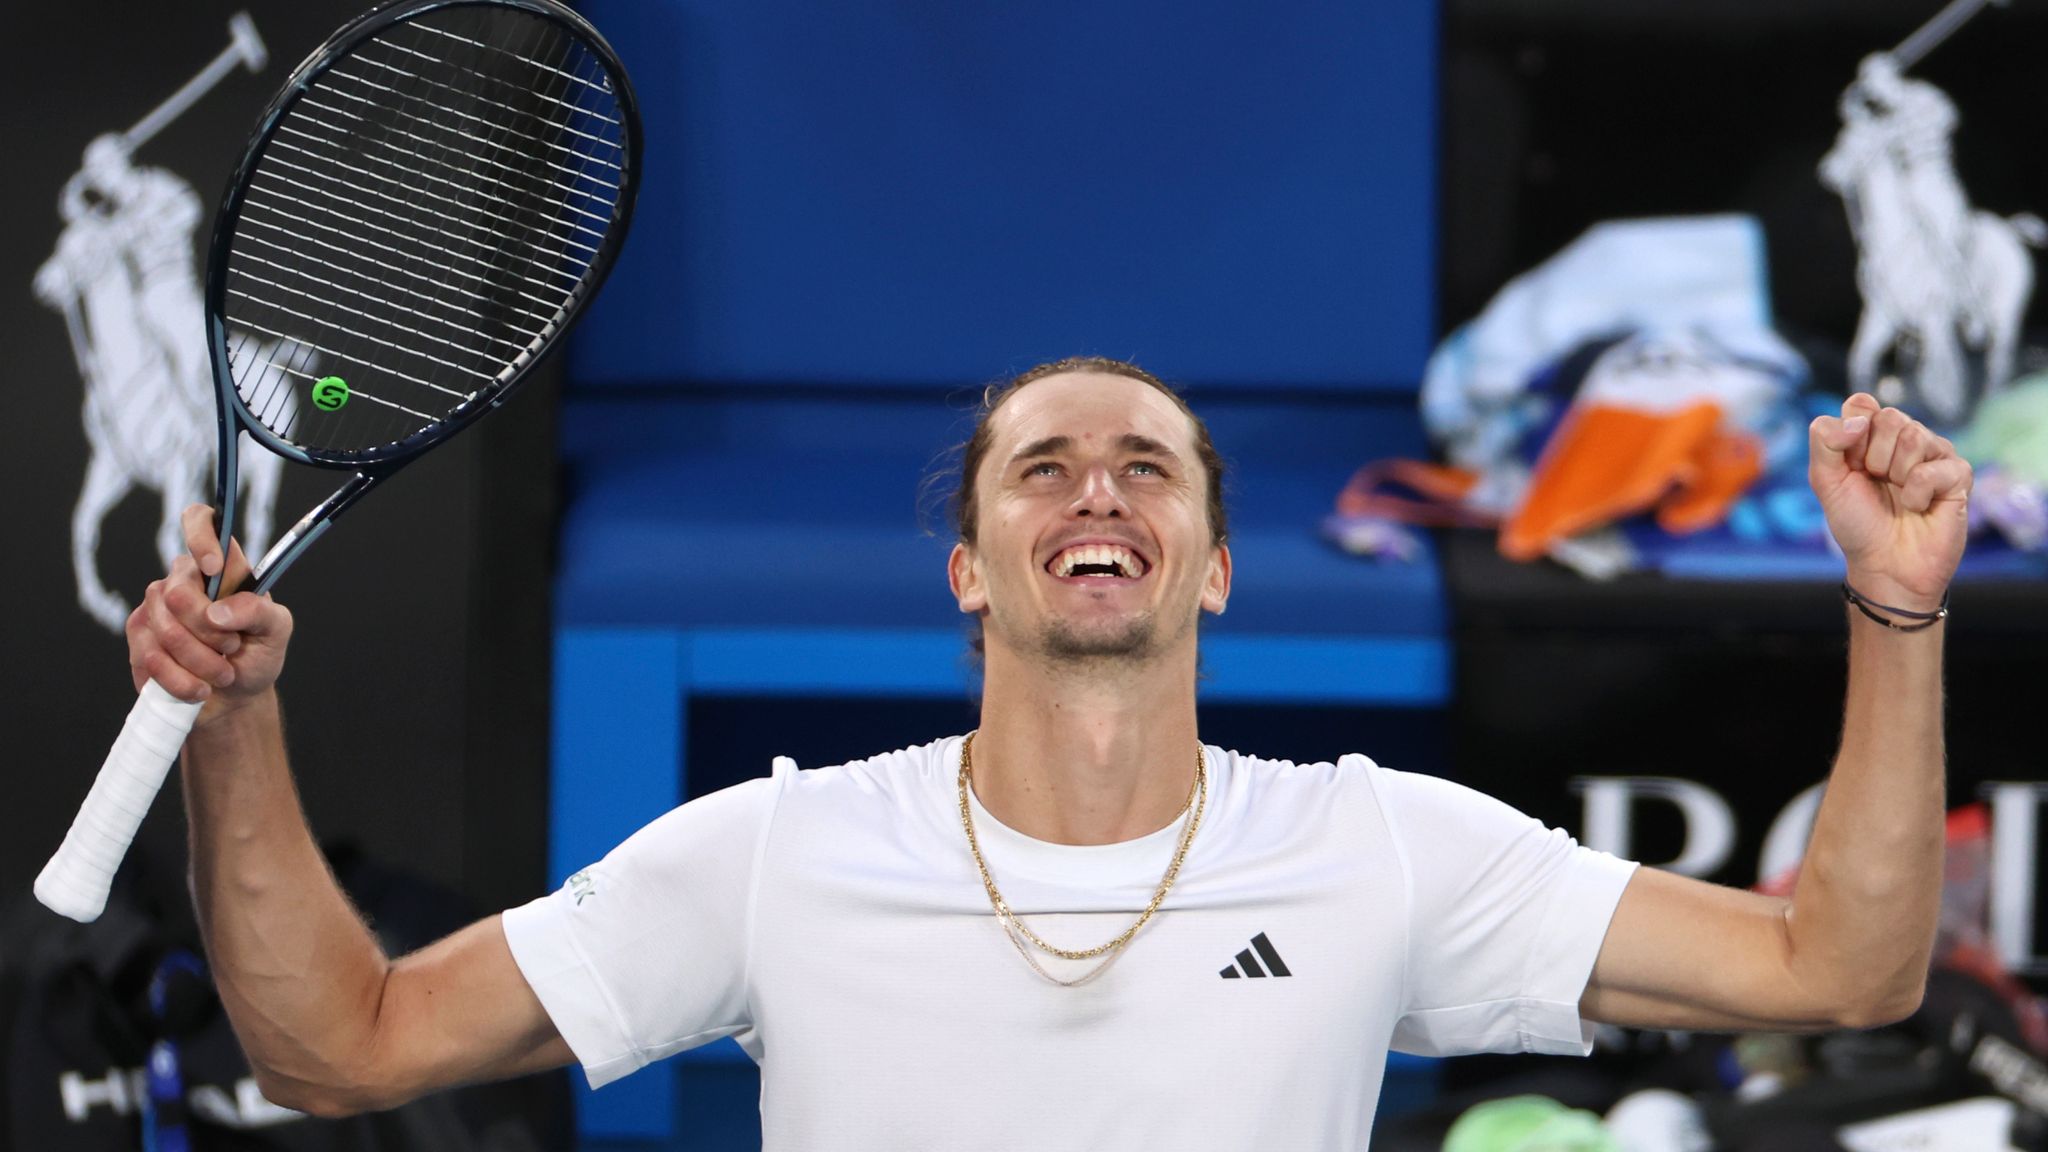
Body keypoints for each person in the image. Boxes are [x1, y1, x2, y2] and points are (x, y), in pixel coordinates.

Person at [130, 357, 1970, 1148]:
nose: (1098, 486)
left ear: (1219, 568)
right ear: (971, 567)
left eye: (1146, 465)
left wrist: (1894, 610)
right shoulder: (772, 858)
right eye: (1044, 466)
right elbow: (338, 1049)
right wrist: (238, 725)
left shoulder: (1384, 851)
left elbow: (1848, 966)